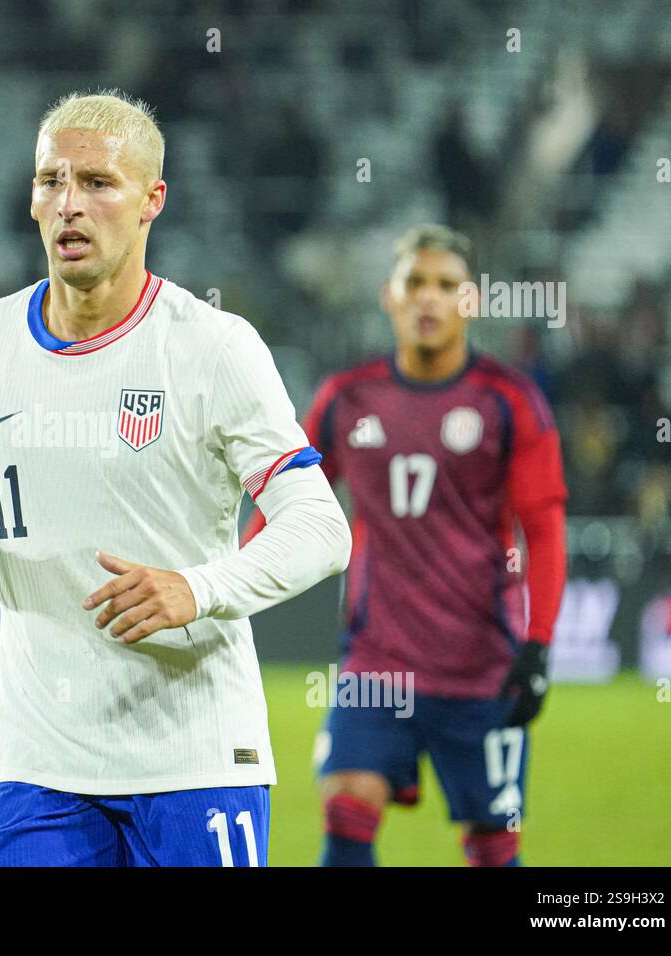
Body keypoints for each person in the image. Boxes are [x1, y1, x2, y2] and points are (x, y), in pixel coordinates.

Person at [0, 90, 351, 866]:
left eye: (98, 182)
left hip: (194, 758)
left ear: (151, 202)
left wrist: (195, 589)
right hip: (36, 764)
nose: (70, 203)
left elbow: (321, 526)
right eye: (51, 181)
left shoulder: (214, 350)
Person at [242, 225, 568, 867]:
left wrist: (539, 644)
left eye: (446, 286)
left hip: (481, 670)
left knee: (493, 851)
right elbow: (284, 500)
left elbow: (546, 527)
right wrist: (227, 592)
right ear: (389, 297)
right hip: (376, 662)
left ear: (470, 302)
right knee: (345, 807)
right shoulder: (347, 398)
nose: (429, 299)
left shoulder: (509, 402)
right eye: (414, 283)